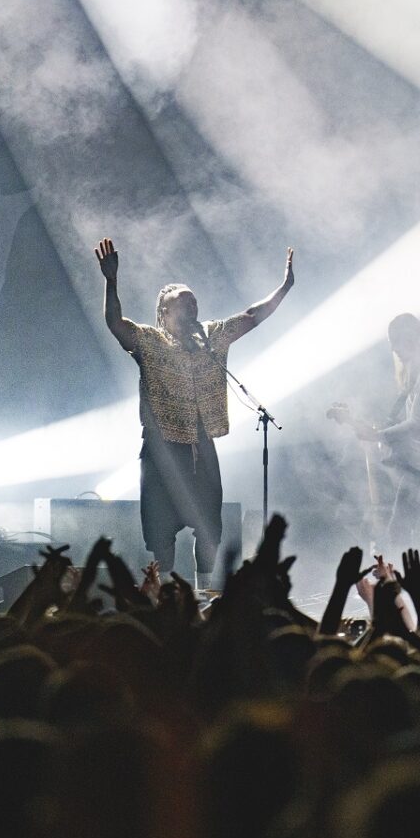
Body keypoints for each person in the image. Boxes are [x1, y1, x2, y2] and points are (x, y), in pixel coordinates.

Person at [96, 237, 294, 589]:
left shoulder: (213, 337)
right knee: (161, 532)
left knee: (209, 529)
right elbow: (115, 324)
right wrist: (111, 282)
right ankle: (164, 597)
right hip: (162, 447)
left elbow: (251, 316)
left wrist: (284, 288)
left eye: (195, 302)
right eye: (184, 303)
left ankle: (204, 595)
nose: (192, 308)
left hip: (201, 443)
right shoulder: (150, 341)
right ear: (165, 313)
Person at [328, 313, 420, 559]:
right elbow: (400, 425)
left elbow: (417, 424)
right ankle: (405, 584)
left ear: (415, 338)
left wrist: (377, 435)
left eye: (396, 341)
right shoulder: (414, 375)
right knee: (401, 531)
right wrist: (356, 422)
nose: (393, 348)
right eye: (391, 341)